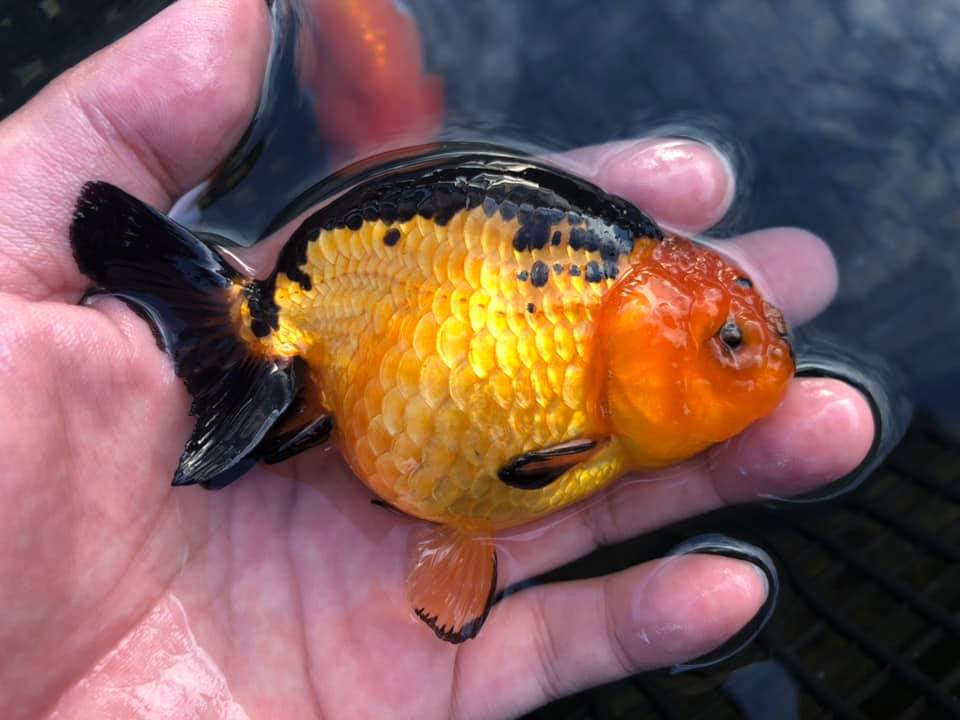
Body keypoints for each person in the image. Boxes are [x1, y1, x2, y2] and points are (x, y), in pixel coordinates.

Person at [0, 1, 875, 718]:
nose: (756, 365)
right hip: (340, 307)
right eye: (728, 344)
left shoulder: (605, 420)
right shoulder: (596, 385)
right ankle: (239, 342)